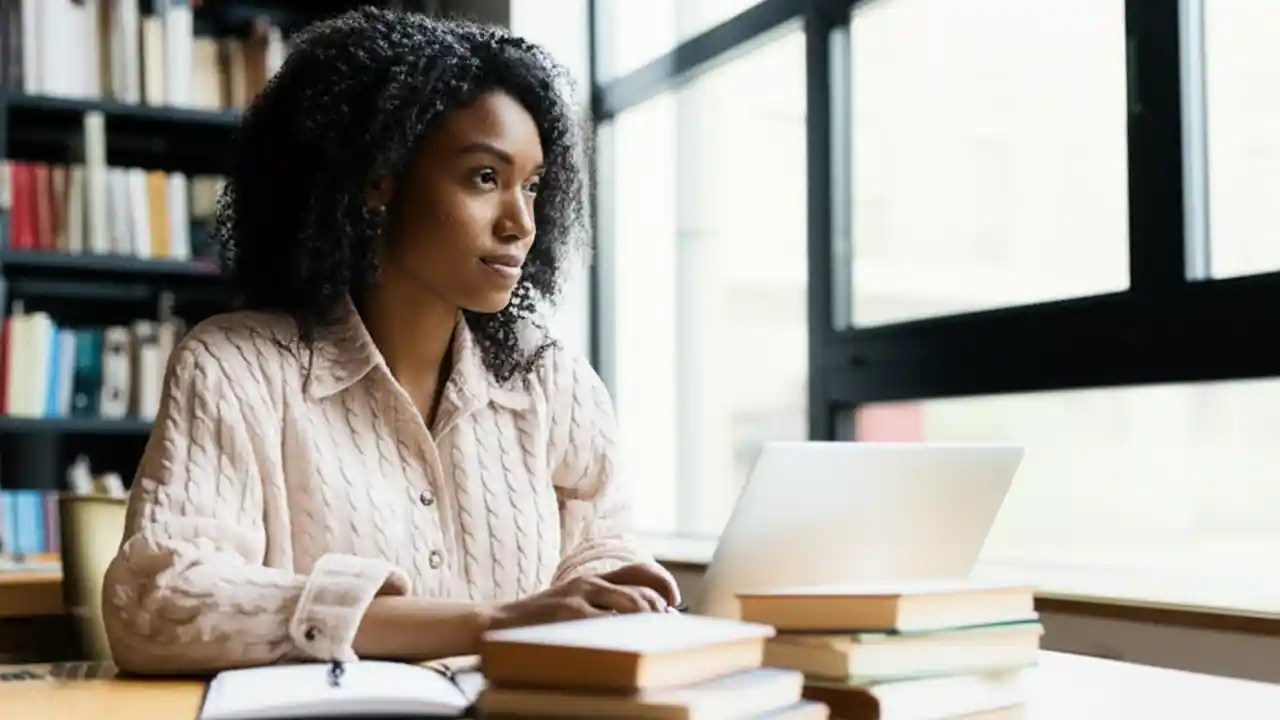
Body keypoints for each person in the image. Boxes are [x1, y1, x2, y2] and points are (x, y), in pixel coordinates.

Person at [101, 7, 679, 675]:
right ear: (378, 181)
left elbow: (598, 548)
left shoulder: (552, 378)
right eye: (484, 178)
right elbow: (158, 601)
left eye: (533, 185)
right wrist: (488, 624)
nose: (521, 222)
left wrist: (620, 591)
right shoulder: (235, 367)